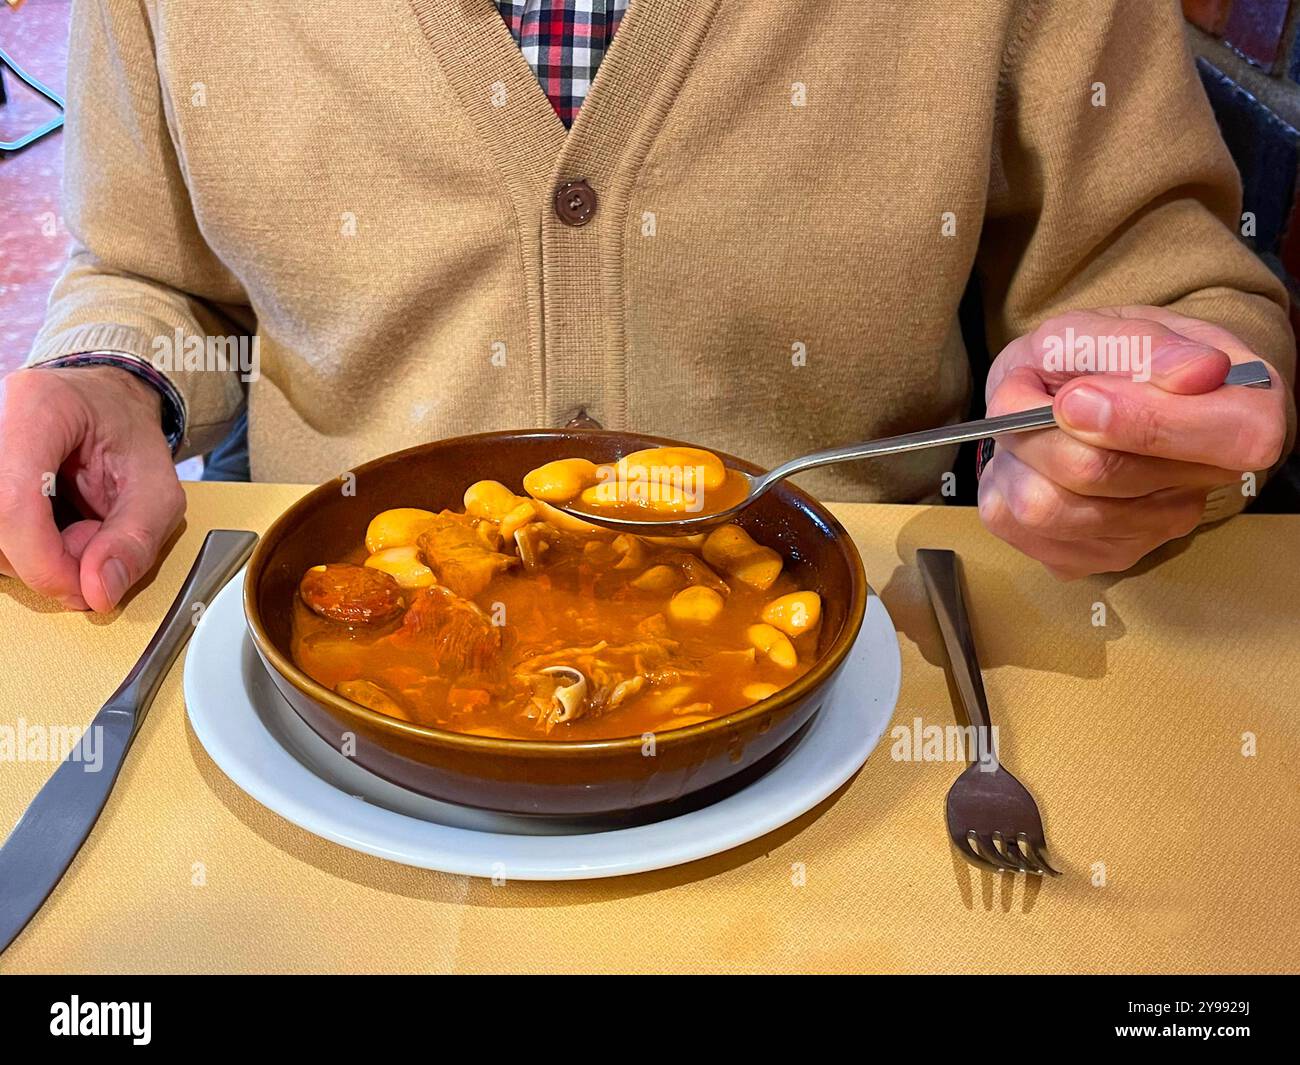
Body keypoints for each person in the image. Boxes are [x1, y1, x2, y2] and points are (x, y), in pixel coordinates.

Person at [0, 0, 1293, 612]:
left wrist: (1157, 401)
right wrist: (116, 382)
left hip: (877, 702)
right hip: (322, 712)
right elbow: (143, 273)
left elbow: (1172, 289)